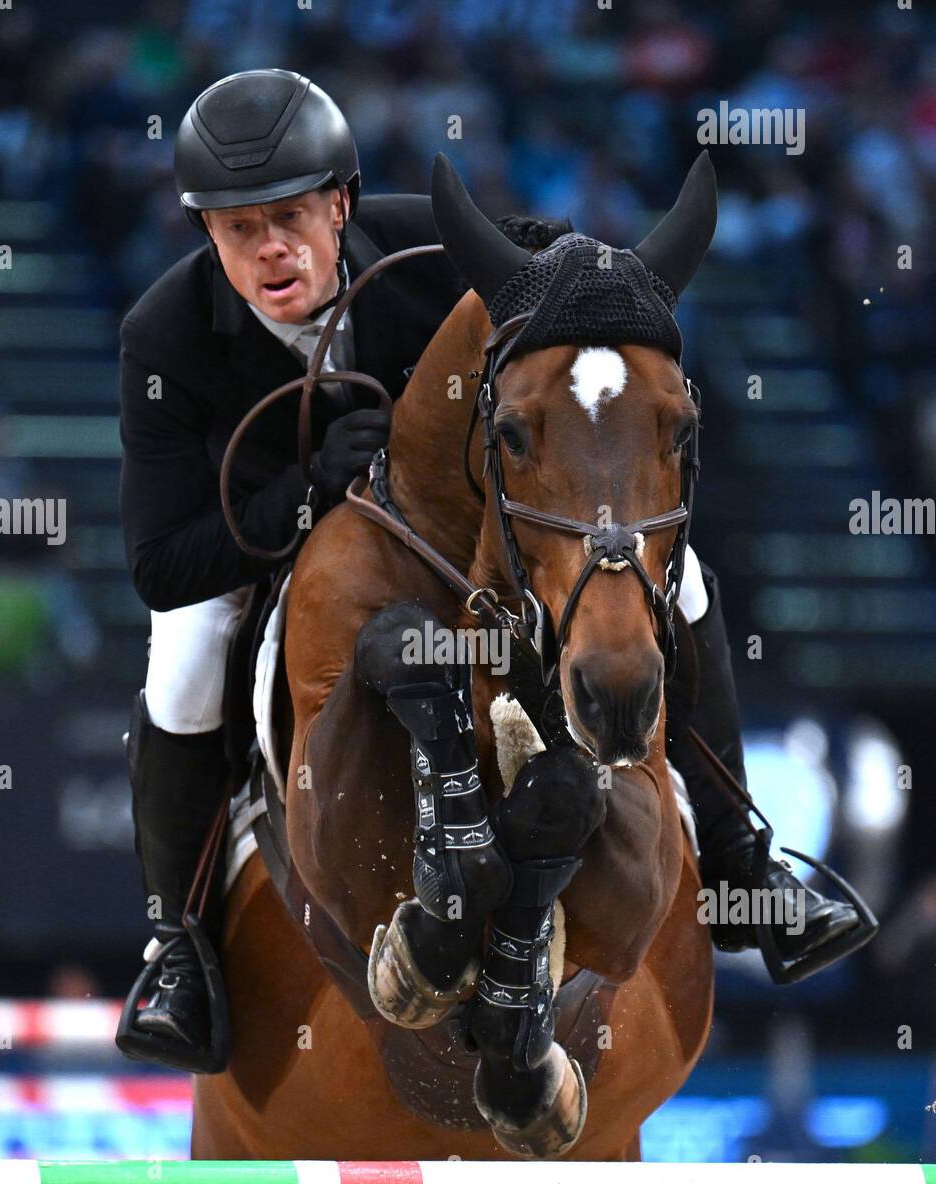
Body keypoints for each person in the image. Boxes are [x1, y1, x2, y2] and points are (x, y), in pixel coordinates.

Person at [117, 69, 868, 1073]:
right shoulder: (162, 338)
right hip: (262, 547)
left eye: (290, 217)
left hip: (465, 534)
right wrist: (301, 494)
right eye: (236, 228)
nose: (269, 251)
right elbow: (160, 563)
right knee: (184, 646)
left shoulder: (425, 261)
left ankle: (742, 855)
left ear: (339, 203)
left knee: (677, 582)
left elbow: (571, 268)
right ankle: (177, 943)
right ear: (203, 233)